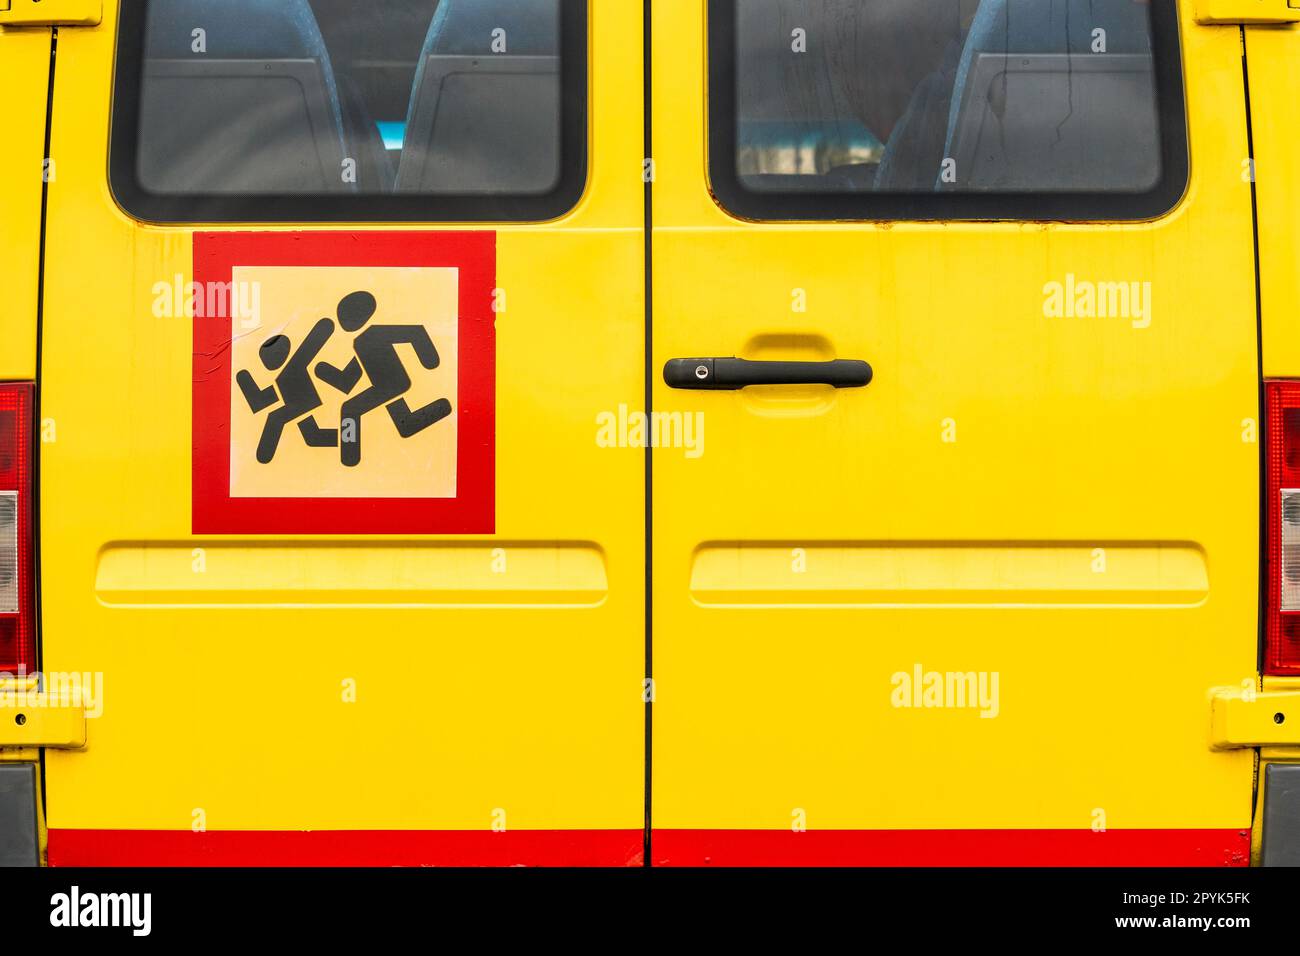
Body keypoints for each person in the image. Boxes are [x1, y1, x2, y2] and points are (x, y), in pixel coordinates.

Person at [315, 290, 453, 467]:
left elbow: (415, 333)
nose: (343, 322)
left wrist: (430, 360)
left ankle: (349, 456)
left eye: (346, 316)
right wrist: (325, 372)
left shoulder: (374, 333)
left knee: (350, 409)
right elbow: (349, 378)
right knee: (403, 421)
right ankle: (436, 410)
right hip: (387, 386)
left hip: (390, 385)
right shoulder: (360, 341)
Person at [236, 318, 338, 464]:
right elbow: (265, 398)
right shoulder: (283, 375)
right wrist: (246, 383)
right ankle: (346, 438)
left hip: (303, 402)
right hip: (300, 402)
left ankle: (348, 439)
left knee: (276, 419)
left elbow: (312, 344)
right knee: (313, 435)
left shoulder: (295, 364)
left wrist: (325, 327)